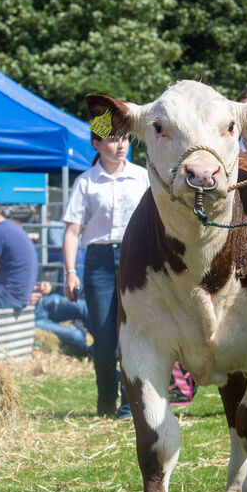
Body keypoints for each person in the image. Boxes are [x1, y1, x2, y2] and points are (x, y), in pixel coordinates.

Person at [63, 131, 150, 419]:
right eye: (113, 140)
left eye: (125, 138)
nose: (121, 145)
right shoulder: (85, 181)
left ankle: (130, 406)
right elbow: (72, 231)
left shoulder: (142, 176)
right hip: (98, 261)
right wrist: (70, 272)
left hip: (136, 257)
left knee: (132, 335)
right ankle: (105, 402)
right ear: (97, 145)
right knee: (103, 338)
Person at [28, 280, 90, 356]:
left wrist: (40, 288)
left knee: (85, 307)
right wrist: (23, 299)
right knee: (76, 336)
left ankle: (103, 345)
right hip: (30, 315)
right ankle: (91, 354)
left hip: (42, 302)